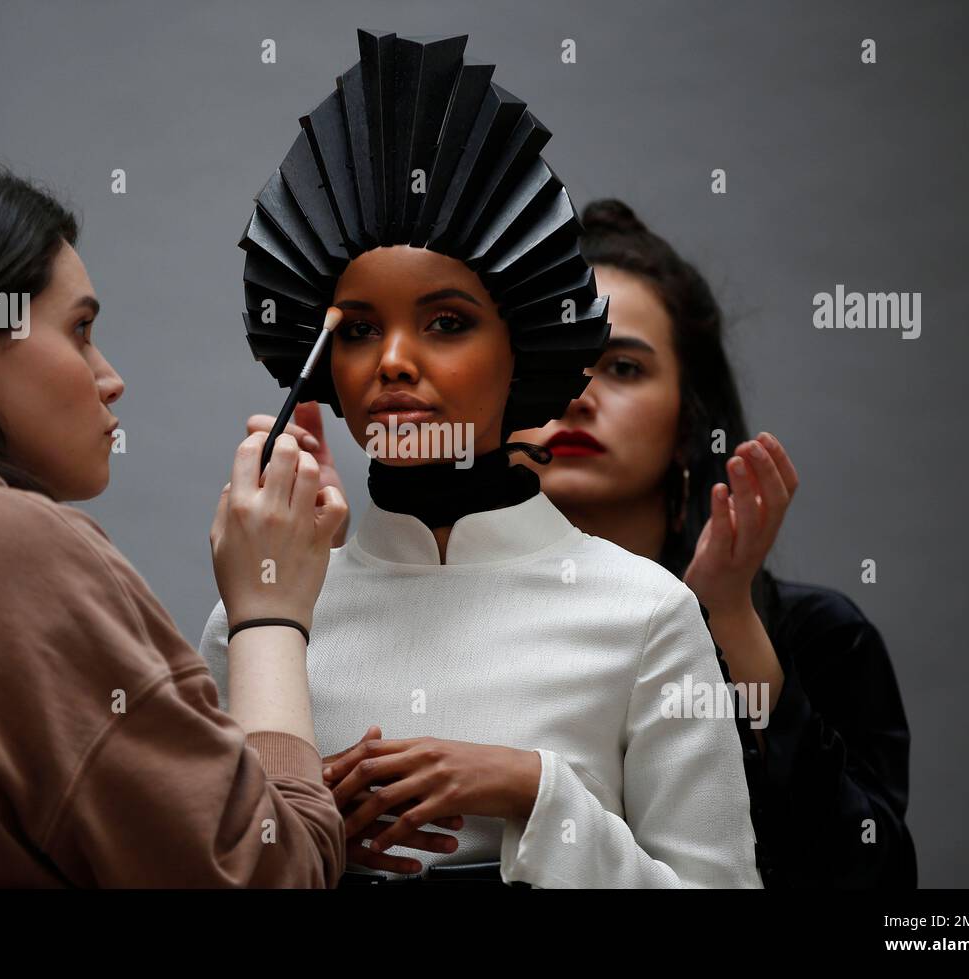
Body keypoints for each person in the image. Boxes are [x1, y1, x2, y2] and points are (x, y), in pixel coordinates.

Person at [203, 29, 762, 888]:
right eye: (356, 329)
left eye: (446, 322)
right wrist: (315, 847)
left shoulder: (645, 614)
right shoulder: (258, 620)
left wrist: (535, 791)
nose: (393, 359)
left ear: (523, 350)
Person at [0, 156, 348, 887]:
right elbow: (265, 874)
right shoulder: (8, 551)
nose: (111, 377)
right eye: (79, 330)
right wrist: (269, 610)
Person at [509, 199, 917, 887]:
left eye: (623, 368)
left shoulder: (818, 636)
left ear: (688, 418)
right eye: (551, 361)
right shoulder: (450, 619)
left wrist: (728, 620)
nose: (577, 396)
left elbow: (873, 879)